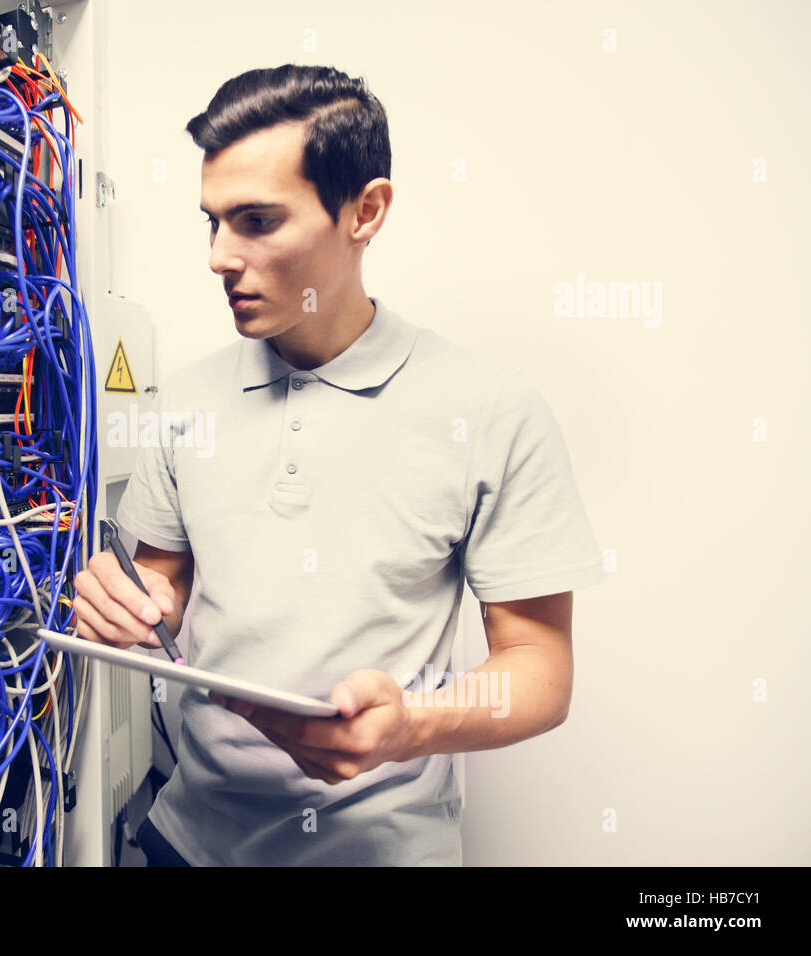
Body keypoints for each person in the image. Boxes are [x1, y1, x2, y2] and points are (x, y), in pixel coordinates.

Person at [71, 64, 607, 866]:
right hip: (186, 839)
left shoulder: (489, 409)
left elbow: (538, 669)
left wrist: (410, 728)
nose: (219, 256)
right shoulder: (182, 401)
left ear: (366, 211)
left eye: (256, 221)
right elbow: (164, 585)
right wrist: (132, 604)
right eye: (211, 222)